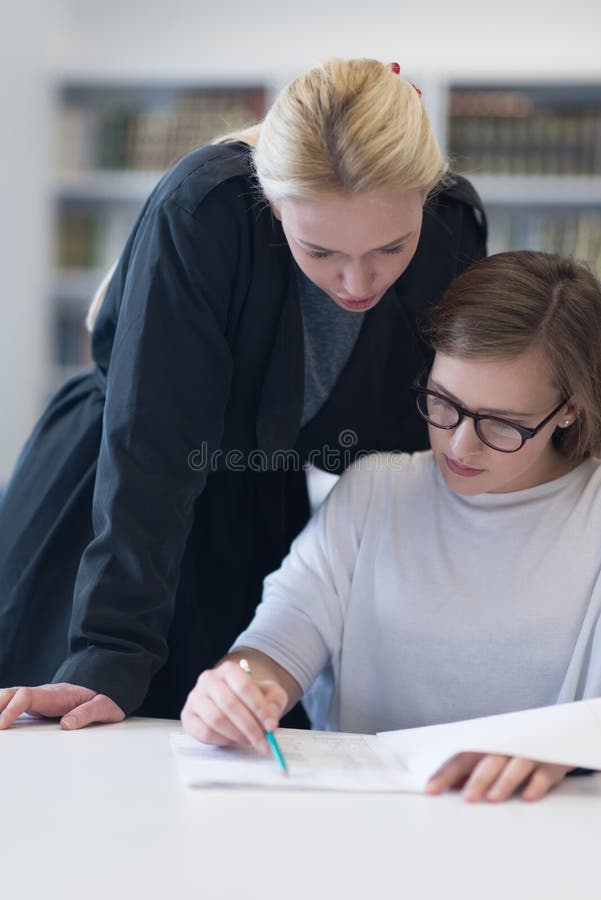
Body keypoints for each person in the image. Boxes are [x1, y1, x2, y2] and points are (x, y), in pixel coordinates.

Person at [0, 57, 486, 730]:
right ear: (268, 200)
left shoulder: (453, 225)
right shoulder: (203, 207)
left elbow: (411, 446)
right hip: (113, 505)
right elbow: (153, 445)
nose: (355, 282)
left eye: (389, 247)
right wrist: (106, 654)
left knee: (233, 749)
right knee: (82, 747)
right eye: (319, 251)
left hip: (258, 496)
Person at [180, 250, 601, 803]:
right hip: (365, 836)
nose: (459, 444)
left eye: (502, 423)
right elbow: (276, 644)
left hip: (543, 844)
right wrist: (235, 692)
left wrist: (558, 748)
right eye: (443, 402)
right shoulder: (374, 492)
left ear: (568, 409)